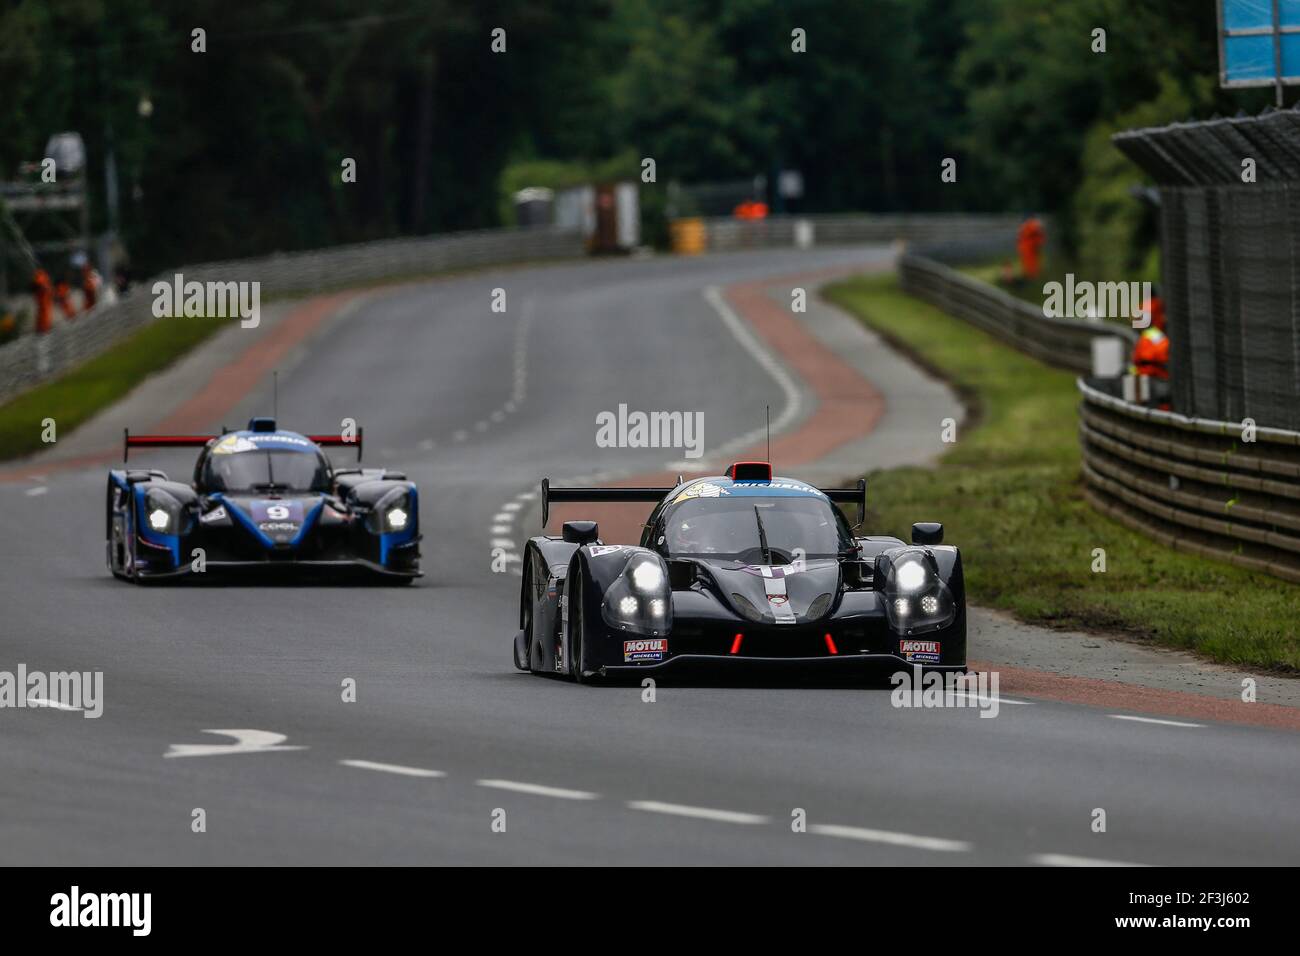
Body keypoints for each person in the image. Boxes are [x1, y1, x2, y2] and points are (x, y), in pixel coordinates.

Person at [1017, 215, 1046, 281]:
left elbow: (1039, 234)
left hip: (1029, 246)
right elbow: (1037, 231)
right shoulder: (1030, 225)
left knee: (1032, 261)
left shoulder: (1029, 225)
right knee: (1030, 261)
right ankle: (1031, 275)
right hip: (1027, 246)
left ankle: (1032, 275)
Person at [31, 268, 54, 334]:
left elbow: (46, 287)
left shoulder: (42, 277)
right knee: (43, 312)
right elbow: (40, 285)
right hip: (42, 299)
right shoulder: (40, 277)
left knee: (44, 312)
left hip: (45, 298)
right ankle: (43, 327)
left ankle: (43, 327)